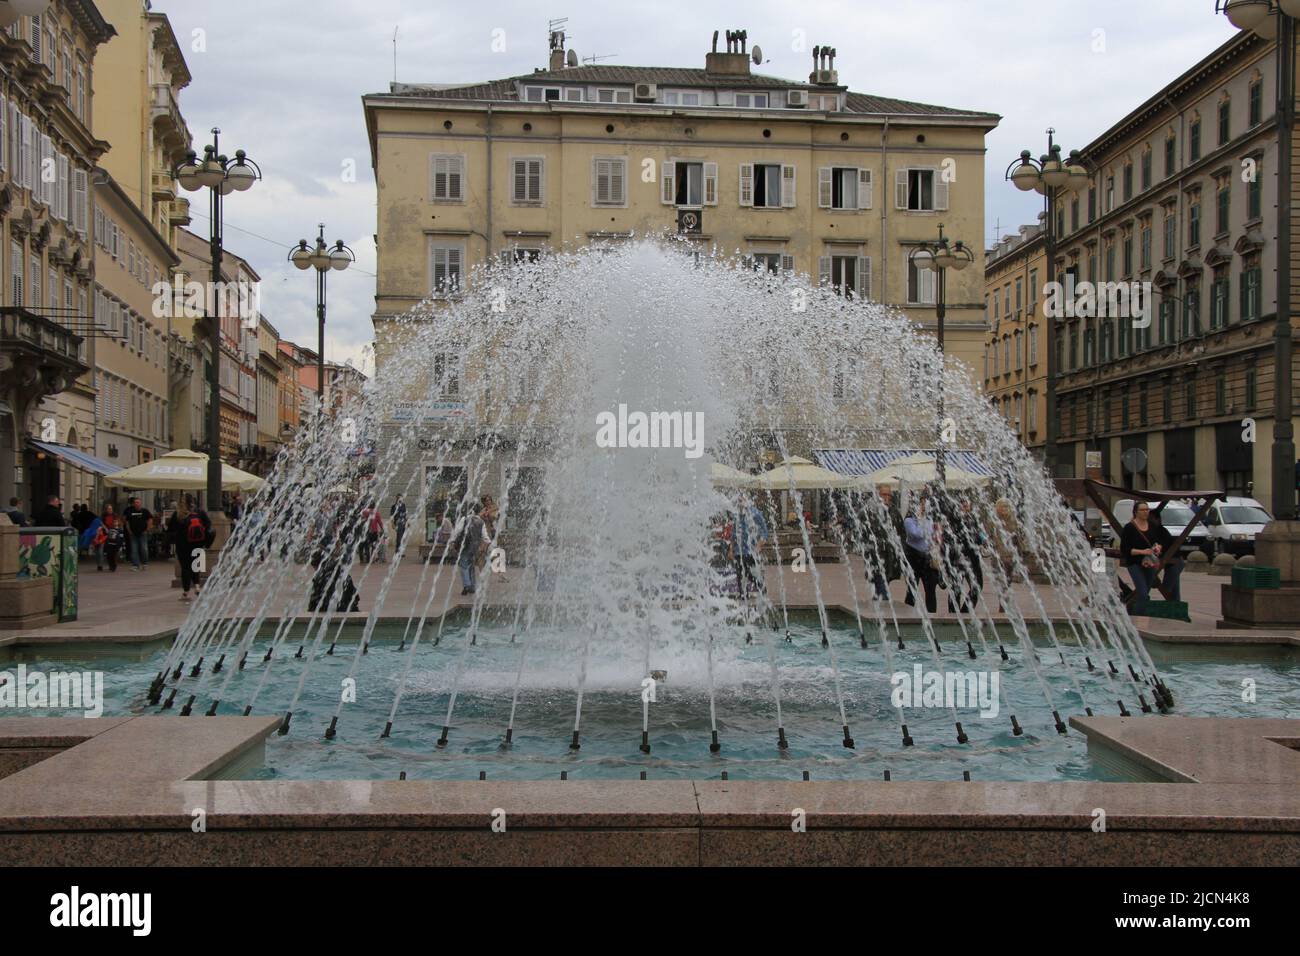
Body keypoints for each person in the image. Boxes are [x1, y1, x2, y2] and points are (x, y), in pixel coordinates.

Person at [1120, 501, 1183, 616]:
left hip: (1150, 563)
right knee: (1142, 593)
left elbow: (1157, 542)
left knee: (1145, 594)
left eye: (1147, 509)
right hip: (1135, 563)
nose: (1146, 512)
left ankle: (1139, 618)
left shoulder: (1152, 526)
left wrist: (1158, 547)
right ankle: (1135, 621)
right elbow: (1125, 549)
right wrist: (1142, 551)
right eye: (1142, 510)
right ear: (1135, 512)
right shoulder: (1129, 528)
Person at [943, 497, 985, 613]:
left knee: (977, 586)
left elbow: (978, 534)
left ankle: (965, 611)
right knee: (956, 586)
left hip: (973, 558)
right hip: (958, 558)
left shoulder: (973, 518)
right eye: (963, 505)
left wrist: (982, 540)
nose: (965, 508)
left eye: (967, 506)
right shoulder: (953, 521)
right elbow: (949, 538)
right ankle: (953, 613)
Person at [863, 486, 905, 599]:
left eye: (888, 495)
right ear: (877, 495)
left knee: (881, 588)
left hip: (890, 558)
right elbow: (860, 530)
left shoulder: (894, 512)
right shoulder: (869, 511)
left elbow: (901, 534)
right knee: (882, 588)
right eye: (883, 494)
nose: (886, 497)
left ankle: (876, 611)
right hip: (875, 556)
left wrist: (900, 553)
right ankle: (885, 612)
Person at [168, 496, 211, 602]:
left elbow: (170, 529)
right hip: (198, 543)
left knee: (185, 567)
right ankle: (197, 586)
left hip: (182, 545)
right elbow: (208, 525)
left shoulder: (178, 514)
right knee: (196, 566)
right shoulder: (199, 512)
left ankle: (186, 592)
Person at [903, 493, 939, 613]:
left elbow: (934, 534)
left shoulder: (929, 519)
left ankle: (932, 616)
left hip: (926, 558)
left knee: (930, 590)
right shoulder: (909, 520)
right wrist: (922, 522)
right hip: (913, 557)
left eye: (925, 503)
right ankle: (907, 614)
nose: (923, 506)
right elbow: (915, 534)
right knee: (912, 589)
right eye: (921, 503)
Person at [729, 497, 769, 596]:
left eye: (741, 500)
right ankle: (743, 595)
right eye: (738, 501)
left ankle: (760, 586)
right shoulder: (736, 514)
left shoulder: (755, 513)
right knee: (739, 572)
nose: (739, 503)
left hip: (750, 549)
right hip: (738, 550)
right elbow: (733, 533)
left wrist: (759, 545)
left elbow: (765, 532)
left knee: (747, 572)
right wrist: (731, 549)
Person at [451, 503, 489, 595]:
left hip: (465, 546)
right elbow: (486, 538)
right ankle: (472, 586)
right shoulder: (481, 521)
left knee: (463, 564)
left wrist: (452, 541)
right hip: (475, 547)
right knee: (471, 565)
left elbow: (457, 532)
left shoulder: (465, 519)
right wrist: (484, 547)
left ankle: (467, 585)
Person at [122, 496, 152, 571]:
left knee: (144, 549)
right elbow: (127, 521)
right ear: (133, 504)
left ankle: (145, 563)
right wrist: (129, 530)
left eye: (138, 502)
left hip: (142, 533)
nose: (137, 504)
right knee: (134, 550)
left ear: (140, 503)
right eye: (135, 502)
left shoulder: (145, 511)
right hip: (133, 534)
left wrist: (147, 529)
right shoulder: (130, 511)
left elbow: (150, 519)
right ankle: (135, 565)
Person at [94, 504, 122, 572]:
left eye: (111, 509)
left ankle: (112, 565)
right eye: (109, 509)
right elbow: (99, 525)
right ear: (106, 510)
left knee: (113, 552)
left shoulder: (115, 516)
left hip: (113, 535)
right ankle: (100, 565)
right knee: (100, 550)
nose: (110, 510)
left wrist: (116, 526)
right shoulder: (103, 517)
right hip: (104, 535)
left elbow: (118, 523)